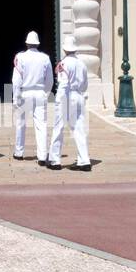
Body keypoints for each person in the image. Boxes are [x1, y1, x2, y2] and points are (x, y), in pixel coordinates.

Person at [48, 35, 90, 171]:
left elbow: (64, 83)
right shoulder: (82, 63)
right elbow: (85, 85)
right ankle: (84, 161)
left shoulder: (64, 63)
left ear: (65, 49)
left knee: (58, 127)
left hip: (66, 95)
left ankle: (55, 160)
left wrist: (59, 100)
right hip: (78, 95)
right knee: (79, 128)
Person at [12, 31, 53, 164]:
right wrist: (45, 93)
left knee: (21, 123)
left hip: (25, 92)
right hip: (40, 92)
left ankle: (19, 152)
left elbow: (16, 80)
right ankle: (42, 156)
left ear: (27, 43)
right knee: (41, 125)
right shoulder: (45, 58)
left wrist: (16, 97)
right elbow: (50, 81)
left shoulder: (20, 57)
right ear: (38, 44)